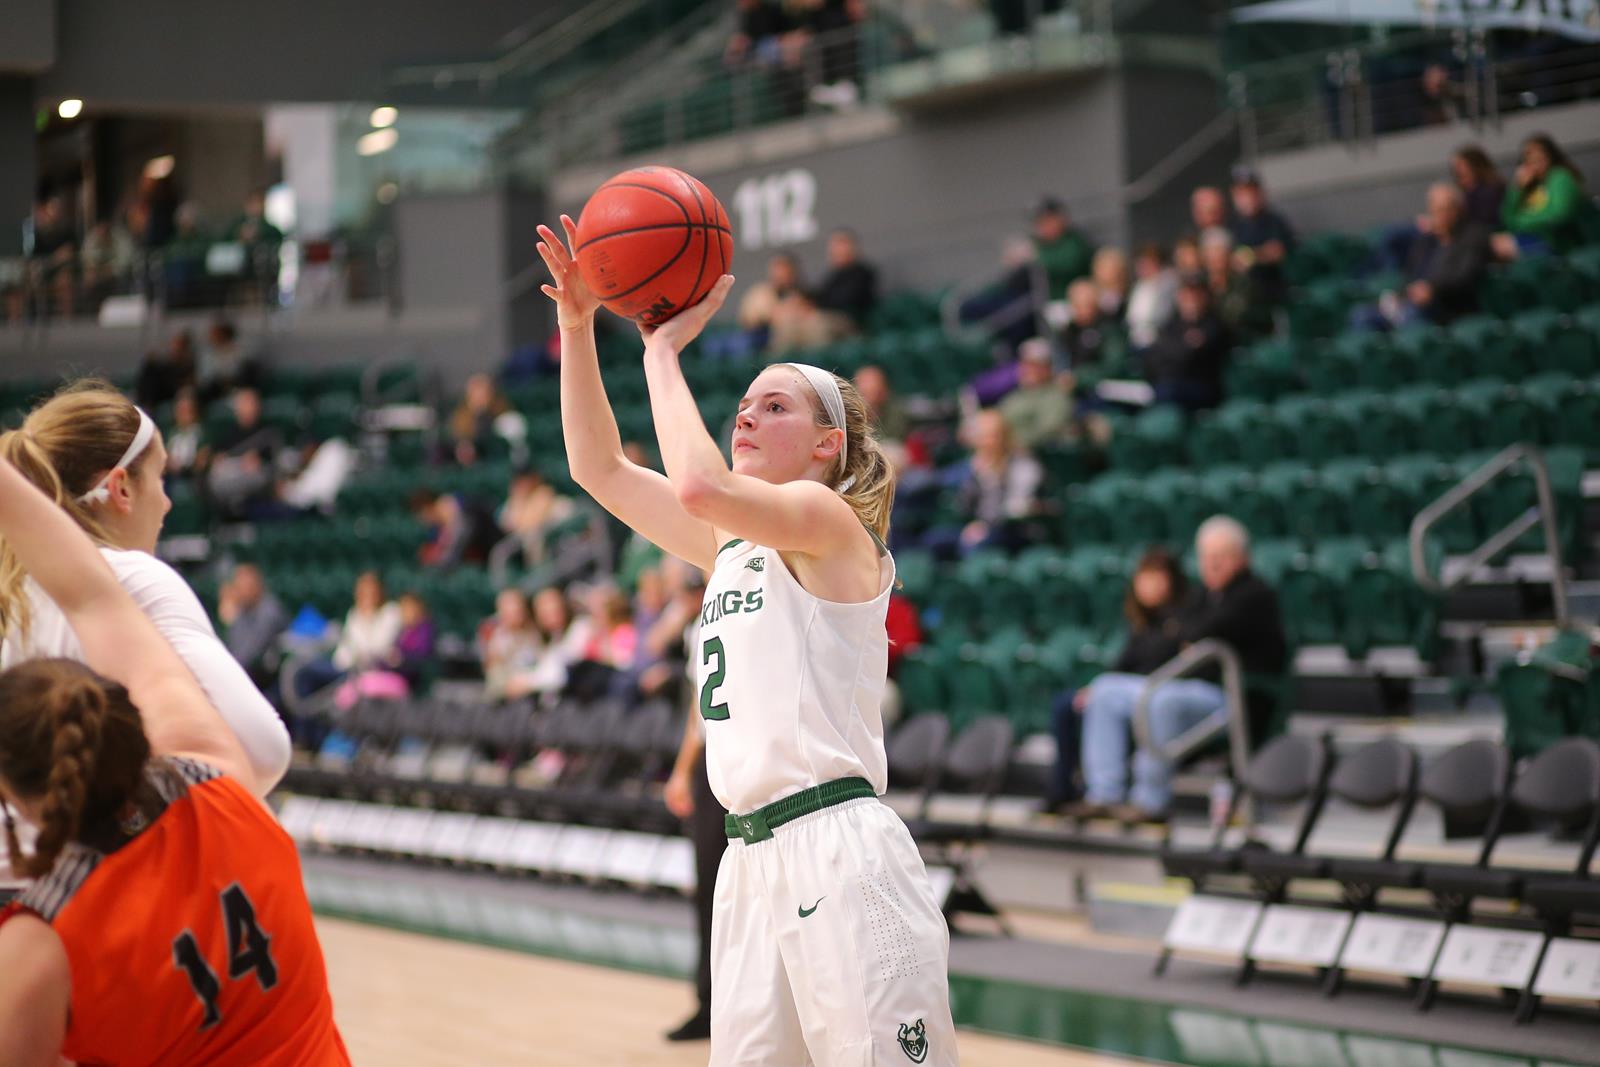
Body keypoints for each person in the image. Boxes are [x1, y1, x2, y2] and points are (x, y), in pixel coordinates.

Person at [538, 214, 957, 1066]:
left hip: (837, 847)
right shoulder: (736, 546)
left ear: (828, 443)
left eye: (777, 406)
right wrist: (578, 326)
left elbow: (695, 483)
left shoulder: (828, 520)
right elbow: (599, 468)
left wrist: (660, 350)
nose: (748, 415)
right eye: (744, 404)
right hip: (750, 859)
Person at [0, 450, 350, 1065]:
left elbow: (88, 600)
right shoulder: (221, 779)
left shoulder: (38, 951)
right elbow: (92, 594)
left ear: (16, 796)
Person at [0, 382, 290, 800]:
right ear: (120, 489)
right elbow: (261, 751)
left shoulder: (20, 599)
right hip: (126, 862)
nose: (168, 503)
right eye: (160, 478)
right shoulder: (133, 575)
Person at [1076, 517, 1286, 823]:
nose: (1212, 565)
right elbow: (1177, 635)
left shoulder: (1254, 593)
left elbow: (1199, 631)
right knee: (1105, 690)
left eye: (1221, 557)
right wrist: (1185, 635)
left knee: (1163, 700)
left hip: (1232, 698)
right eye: (1207, 557)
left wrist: (1187, 635)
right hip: (1185, 687)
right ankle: (1103, 795)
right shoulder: (1201, 595)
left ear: (1242, 558)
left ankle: (1150, 801)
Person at [1050, 548, 1187, 813]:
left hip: (1158, 693)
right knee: (1066, 704)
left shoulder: (1182, 619)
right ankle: (1063, 791)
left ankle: (1119, 794)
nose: (1149, 586)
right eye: (1145, 578)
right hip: (1126, 692)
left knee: (1114, 698)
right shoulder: (1140, 624)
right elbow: (1122, 664)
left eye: (1156, 578)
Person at [1358, 183, 1492, 330]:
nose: (1438, 215)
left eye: (1443, 210)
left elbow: (1465, 275)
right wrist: (1400, 294)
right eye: (1434, 210)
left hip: (1446, 305)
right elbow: (1410, 274)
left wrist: (1433, 289)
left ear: (1457, 210)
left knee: (1411, 315)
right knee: (1363, 315)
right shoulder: (1426, 240)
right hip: (1414, 301)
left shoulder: (1473, 236)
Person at [1145, 275, 1230, 412]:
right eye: (1186, 295)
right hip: (1168, 382)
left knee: (1166, 392)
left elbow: (1191, 358)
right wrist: (1182, 347)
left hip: (1201, 387)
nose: (1191, 300)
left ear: (1205, 297)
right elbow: (1154, 356)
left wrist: (1174, 351)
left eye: (1196, 295)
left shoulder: (1214, 324)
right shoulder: (1171, 324)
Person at [1498, 132, 1592, 257]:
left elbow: (1559, 215)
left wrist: (1521, 222)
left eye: (1538, 156)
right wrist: (1517, 188)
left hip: (1557, 243)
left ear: (1549, 156)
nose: (1533, 161)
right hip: (1532, 238)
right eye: (1528, 157)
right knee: (1491, 244)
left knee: (1497, 247)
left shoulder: (1560, 177)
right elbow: (1508, 219)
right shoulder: (1529, 185)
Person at [216, 562, 289, 695]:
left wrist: (232, 620)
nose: (240, 592)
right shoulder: (243, 611)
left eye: (244, 587)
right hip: (248, 679)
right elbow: (234, 649)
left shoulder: (269, 612)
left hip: (269, 682)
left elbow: (247, 655)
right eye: (237, 587)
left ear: (257, 586)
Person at [1227, 167, 1295, 304]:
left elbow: (1277, 251)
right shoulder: (1232, 224)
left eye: (1251, 192)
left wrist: (1251, 256)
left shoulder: (1273, 220)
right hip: (1246, 296)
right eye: (1241, 193)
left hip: (1274, 292)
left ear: (1260, 193)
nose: (1247, 198)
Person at [998, 341, 1074, 451]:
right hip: (1002, 449)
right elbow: (999, 416)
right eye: (1026, 364)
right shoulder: (1018, 393)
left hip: (1036, 455)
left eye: (1036, 365)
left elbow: (1049, 430)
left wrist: (1008, 442)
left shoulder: (1056, 395)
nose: (1029, 370)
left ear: (1048, 368)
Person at [1031, 197, 1094, 299]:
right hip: (1050, 303)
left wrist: (1035, 256)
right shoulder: (1040, 244)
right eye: (1040, 223)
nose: (1043, 227)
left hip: (1076, 302)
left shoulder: (1074, 241)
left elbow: (1069, 264)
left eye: (1047, 221)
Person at [1124, 243, 1177, 352]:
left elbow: (1162, 317)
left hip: (1158, 343)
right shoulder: (1139, 287)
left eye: (1147, 264)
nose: (1142, 268)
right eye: (1140, 264)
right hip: (1136, 342)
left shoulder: (1168, 284)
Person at [1450, 144, 1507, 230]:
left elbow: (1484, 222)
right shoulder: (1463, 192)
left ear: (1475, 167)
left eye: (1460, 165)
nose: (1457, 170)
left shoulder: (1490, 191)